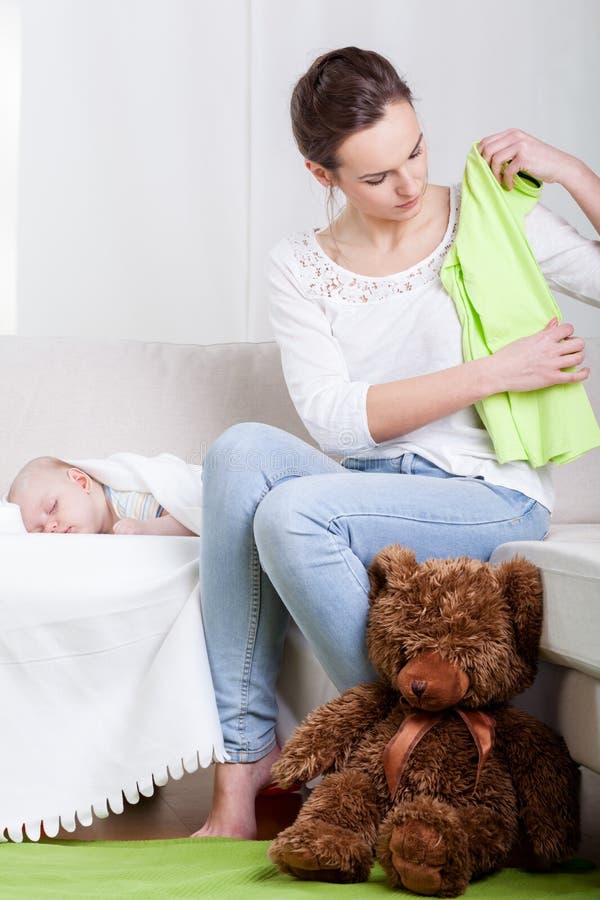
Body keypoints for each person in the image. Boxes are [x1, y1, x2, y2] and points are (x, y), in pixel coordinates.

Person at [193, 47, 600, 840]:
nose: (410, 185)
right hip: (377, 484)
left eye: (415, 151)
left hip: (487, 497)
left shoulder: (487, 215)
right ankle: (243, 770)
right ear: (324, 177)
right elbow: (337, 422)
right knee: (240, 450)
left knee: (293, 516)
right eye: (377, 177)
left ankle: (402, 744)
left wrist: (572, 169)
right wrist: (497, 370)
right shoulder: (301, 266)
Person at [8, 455, 196, 535]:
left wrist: (146, 529)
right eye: (39, 531)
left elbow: (191, 522)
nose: (50, 527)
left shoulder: (127, 499)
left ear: (81, 482)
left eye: (51, 508)